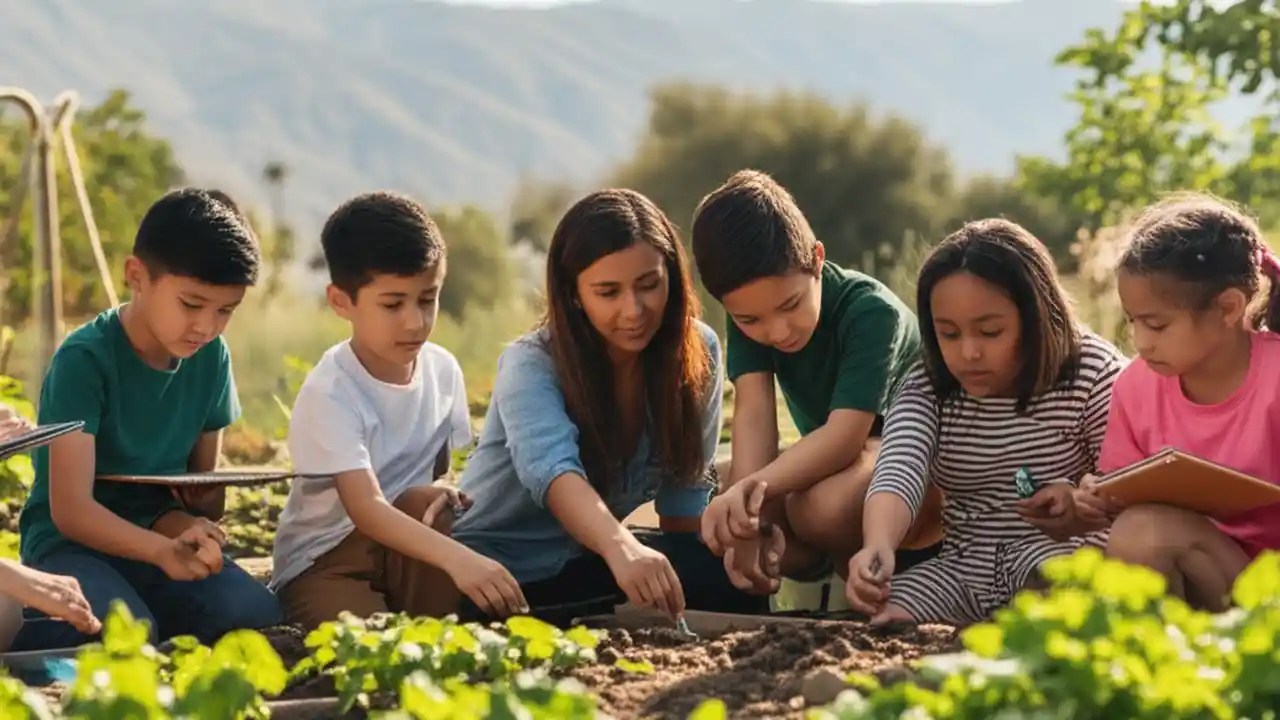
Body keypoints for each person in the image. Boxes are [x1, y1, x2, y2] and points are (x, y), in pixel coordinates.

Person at [452, 189, 768, 623]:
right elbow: (554, 475)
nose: (633, 310)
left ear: (672, 278)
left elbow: (685, 494)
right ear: (574, 294)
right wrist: (624, 550)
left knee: (733, 581)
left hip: (592, 561)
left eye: (648, 285)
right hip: (502, 570)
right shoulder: (531, 363)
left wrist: (692, 573)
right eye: (608, 292)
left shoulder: (699, 351)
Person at [11, 188, 283, 651]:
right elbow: (71, 511)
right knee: (121, 634)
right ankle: (29, 614)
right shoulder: (85, 360)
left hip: (160, 539)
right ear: (137, 276)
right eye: (191, 304)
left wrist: (193, 524)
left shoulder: (211, 357)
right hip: (71, 545)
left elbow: (199, 496)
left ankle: (143, 603)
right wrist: (162, 552)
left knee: (255, 614)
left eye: (226, 311)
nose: (207, 326)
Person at [845, 218, 1123, 626]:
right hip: (963, 569)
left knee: (1059, 604)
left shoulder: (1093, 374)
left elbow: (1128, 481)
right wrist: (879, 544)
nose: (969, 353)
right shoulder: (929, 383)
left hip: (1062, 557)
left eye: (990, 332)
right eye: (949, 334)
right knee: (882, 616)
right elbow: (899, 464)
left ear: (1035, 317)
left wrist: (1080, 503)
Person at [271, 192, 527, 628]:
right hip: (328, 558)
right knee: (375, 649)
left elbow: (435, 475)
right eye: (392, 304)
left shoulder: (442, 369)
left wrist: (445, 495)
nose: (415, 321)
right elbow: (366, 508)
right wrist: (462, 561)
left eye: (427, 299)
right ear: (341, 302)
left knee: (432, 506)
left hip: (405, 550)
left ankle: (435, 622)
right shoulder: (332, 391)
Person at [689, 169, 937, 594]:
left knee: (817, 508)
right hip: (838, 464)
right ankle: (811, 571)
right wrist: (747, 521)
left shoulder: (871, 313)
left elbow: (845, 438)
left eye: (791, 304)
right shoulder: (749, 321)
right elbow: (752, 418)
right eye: (750, 319)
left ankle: (841, 562)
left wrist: (752, 491)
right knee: (708, 497)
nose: (777, 330)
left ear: (817, 259)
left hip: (913, 462)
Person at [1075, 194, 1280, 611]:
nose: (1141, 342)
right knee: (1138, 532)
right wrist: (1095, 499)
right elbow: (1123, 493)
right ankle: (1170, 665)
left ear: (1227, 308)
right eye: (1133, 321)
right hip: (1215, 575)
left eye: (1157, 324)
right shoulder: (1135, 386)